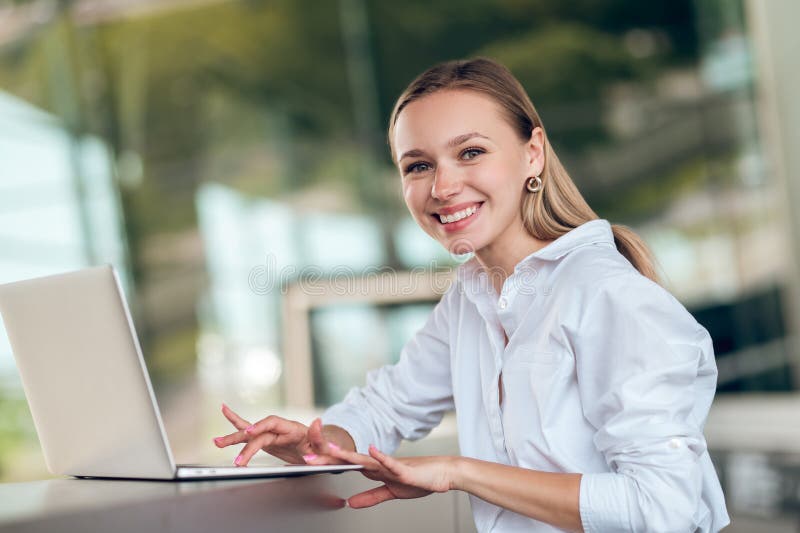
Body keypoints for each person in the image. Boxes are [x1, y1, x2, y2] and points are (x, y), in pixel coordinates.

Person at [214, 57, 731, 532]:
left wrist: (459, 471)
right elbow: (386, 407)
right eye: (417, 165)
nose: (442, 187)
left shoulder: (609, 296)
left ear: (534, 153)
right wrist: (317, 444)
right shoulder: (472, 298)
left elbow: (663, 506)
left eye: (471, 152)